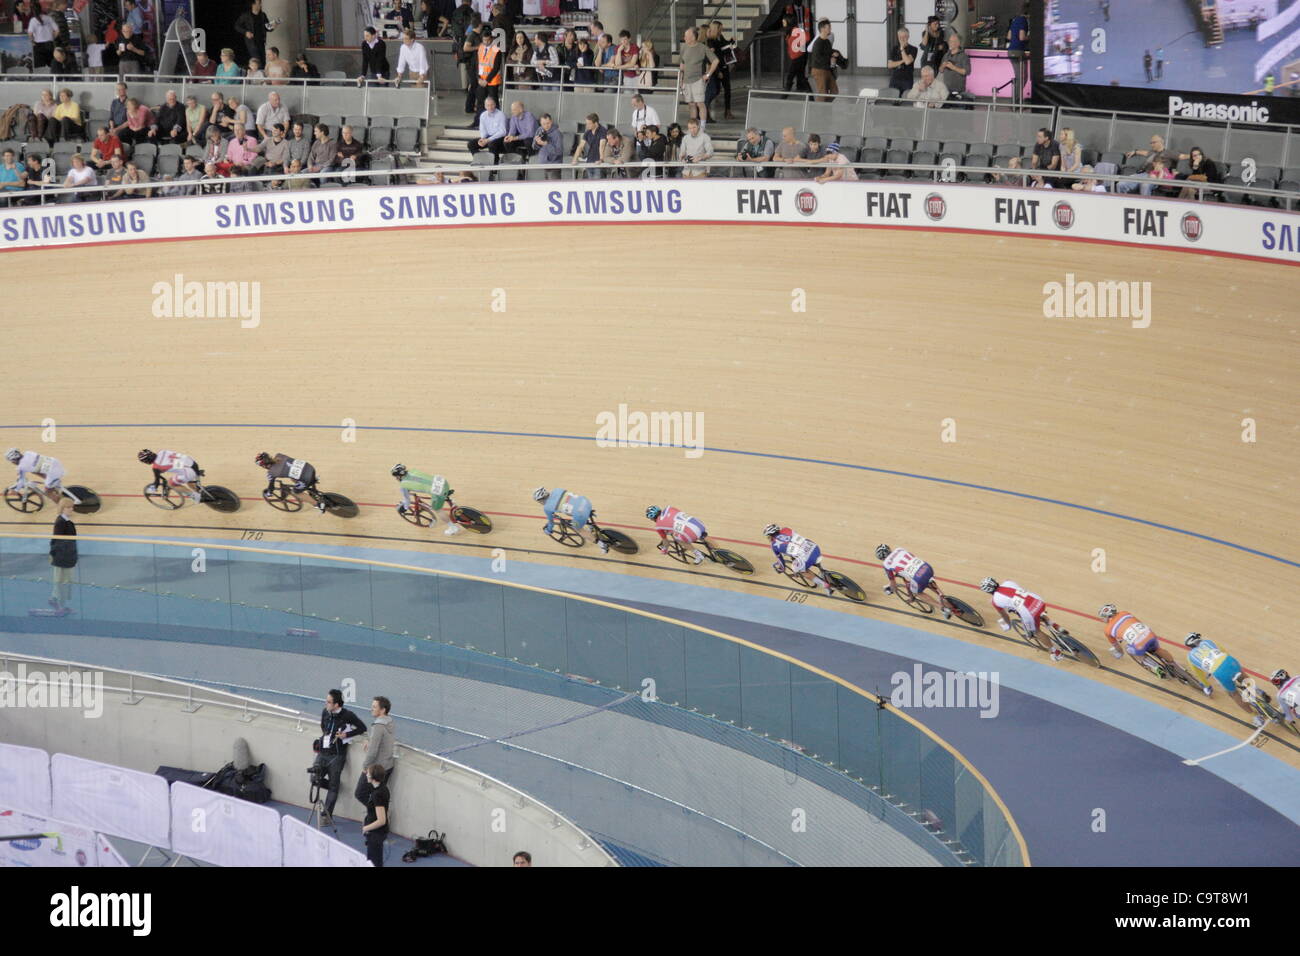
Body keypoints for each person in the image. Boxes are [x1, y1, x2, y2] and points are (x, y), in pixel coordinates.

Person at [311, 689, 367, 826]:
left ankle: (327, 815)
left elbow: (362, 727)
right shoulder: (325, 712)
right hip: (322, 753)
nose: (326, 704)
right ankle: (334, 787)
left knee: (333, 787)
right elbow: (323, 726)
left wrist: (346, 736)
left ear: (337, 704)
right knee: (313, 778)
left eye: (329, 702)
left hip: (337, 756)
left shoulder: (347, 715)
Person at [982, 577, 1062, 661]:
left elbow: (1006, 616)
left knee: (1036, 631)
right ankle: (1054, 625)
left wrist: (1008, 625)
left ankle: (1055, 652)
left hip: (1030, 612)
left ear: (988, 591)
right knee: (1038, 613)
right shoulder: (1008, 582)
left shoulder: (995, 602)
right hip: (1038, 600)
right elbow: (1007, 583)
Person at [1184, 633, 1258, 719]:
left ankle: (1255, 716)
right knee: (1242, 675)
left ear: (1189, 646)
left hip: (1219, 672)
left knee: (1233, 694)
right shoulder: (1208, 641)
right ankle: (1258, 691)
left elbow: (1199, 674)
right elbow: (1225, 652)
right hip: (1230, 660)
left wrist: (1207, 685)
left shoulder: (1190, 657)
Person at [877, 544, 951, 619]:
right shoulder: (899, 549)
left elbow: (893, 584)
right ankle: (947, 601)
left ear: (881, 558)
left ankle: (943, 609)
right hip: (926, 567)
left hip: (918, 577)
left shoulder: (886, 564)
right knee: (929, 582)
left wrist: (890, 590)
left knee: (917, 593)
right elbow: (912, 556)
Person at [1098, 604, 1178, 671]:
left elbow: (1117, 647)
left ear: (1106, 617)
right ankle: (1175, 665)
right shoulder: (1125, 613)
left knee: (1129, 650)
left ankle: (1156, 668)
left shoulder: (1107, 630)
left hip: (1139, 645)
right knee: (1157, 649)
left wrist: (1120, 653)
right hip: (1150, 635)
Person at [392, 464, 463, 535]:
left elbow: (407, 500)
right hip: (443, 482)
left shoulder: (403, 486)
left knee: (437, 509)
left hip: (438, 492)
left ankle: (453, 527)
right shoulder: (413, 471)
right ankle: (453, 503)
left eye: (395, 477)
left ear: (398, 476)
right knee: (436, 490)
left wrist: (404, 508)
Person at [764, 523, 832, 596]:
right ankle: (824, 572)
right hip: (814, 546)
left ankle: (824, 585)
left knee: (798, 569)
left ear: (770, 535)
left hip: (806, 556)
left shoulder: (774, 546)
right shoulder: (786, 529)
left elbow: (781, 562)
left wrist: (781, 569)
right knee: (804, 557)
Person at [353, 696, 396, 808]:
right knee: (378, 796)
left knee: (360, 793)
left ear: (382, 710)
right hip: (388, 766)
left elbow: (372, 752)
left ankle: (377, 816)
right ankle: (380, 818)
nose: (371, 709)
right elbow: (381, 740)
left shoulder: (378, 726)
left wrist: (365, 766)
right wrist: (370, 740)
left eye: (374, 707)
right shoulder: (389, 722)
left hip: (376, 769)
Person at [533, 486, 607, 550]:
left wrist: (548, 530)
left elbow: (551, 522)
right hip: (585, 501)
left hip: (580, 513)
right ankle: (590, 526)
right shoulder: (557, 490)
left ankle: (602, 544)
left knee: (577, 528)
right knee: (570, 509)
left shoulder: (547, 508)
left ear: (541, 500)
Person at [679, 27, 718, 126]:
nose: (684, 38)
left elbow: (715, 61)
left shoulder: (702, 47)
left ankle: (703, 126)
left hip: (698, 80)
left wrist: (708, 74)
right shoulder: (684, 47)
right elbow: (682, 65)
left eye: (686, 36)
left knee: (700, 103)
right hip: (686, 81)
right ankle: (693, 126)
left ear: (692, 37)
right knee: (691, 104)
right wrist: (681, 79)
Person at [255, 451, 323, 508]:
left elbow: (271, 487)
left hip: (306, 478)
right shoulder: (279, 455)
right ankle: (313, 488)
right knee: (292, 476)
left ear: (263, 466)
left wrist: (268, 493)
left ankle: (317, 504)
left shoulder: (271, 473)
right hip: (310, 468)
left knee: (296, 492)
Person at [138, 448, 202, 502]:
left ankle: (195, 497)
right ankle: (201, 492)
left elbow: (156, 482)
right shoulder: (162, 451)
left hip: (188, 472)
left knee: (170, 484)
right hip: (193, 464)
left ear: (146, 461)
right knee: (187, 479)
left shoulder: (156, 467)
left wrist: (152, 489)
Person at [48, 498, 77, 614]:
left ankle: (61, 604)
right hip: (61, 558)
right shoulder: (60, 522)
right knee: (59, 581)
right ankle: (56, 602)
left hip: (68, 557)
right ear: (62, 508)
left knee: (66, 582)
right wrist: (55, 555)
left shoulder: (69, 522)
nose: (71, 509)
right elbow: (57, 541)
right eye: (68, 507)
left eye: (72, 507)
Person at [359, 764, 390, 866]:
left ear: (373, 777)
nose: (366, 775)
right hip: (378, 832)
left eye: (368, 773)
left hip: (376, 833)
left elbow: (381, 820)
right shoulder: (383, 788)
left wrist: (366, 828)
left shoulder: (377, 794)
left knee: (374, 862)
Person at [234, 0, 275, 67]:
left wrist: (273, 26)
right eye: (259, 3)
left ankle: (261, 75)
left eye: (260, 4)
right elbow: (237, 26)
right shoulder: (246, 15)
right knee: (257, 61)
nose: (260, 5)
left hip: (261, 42)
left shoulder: (263, 15)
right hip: (252, 42)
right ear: (253, 5)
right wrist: (246, 32)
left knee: (263, 61)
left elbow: (267, 28)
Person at [807, 19, 838, 101]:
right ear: (822, 29)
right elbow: (818, 58)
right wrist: (830, 59)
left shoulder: (827, 42)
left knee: (834, 91)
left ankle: (824, 107)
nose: (830, 29)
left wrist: (833, 54)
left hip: (826, 69)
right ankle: (819, 110)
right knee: (822, 93)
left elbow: (828, 53)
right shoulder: (818, 43)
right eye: (828, 27)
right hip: (819, 70)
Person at [1007, 2, 1029, 103]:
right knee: (1022, 77)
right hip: (1018, 51)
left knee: (1020, 77)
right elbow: (1022, 37)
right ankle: (1015, 102)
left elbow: (1009, 36)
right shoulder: (1024, 21)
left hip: (1011, 50)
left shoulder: (1015, 20)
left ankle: (1016, 100)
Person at [782, 14, 811, 93]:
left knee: (790, 76)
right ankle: (811, 96)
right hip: (796, 57)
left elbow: (807, 39)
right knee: (801, 77)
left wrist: (800, 50)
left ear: (788, 21)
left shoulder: (797, 30)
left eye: (784, 20)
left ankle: (784, 96)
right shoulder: (789, 30)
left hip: (798, 58)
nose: (782, 21)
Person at [887, 28, 917, 98]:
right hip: (895, 79)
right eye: (900, 37)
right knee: (892, 99)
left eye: (904, 37)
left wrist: (902, 49)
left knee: (906, 100)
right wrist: (902, 61)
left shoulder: (913, 49)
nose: (902, 39)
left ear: (908, 37)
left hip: (907, 80)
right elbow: (890, 65)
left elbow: (907, 62)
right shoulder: (894, 49)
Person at [531, 112, 563, 177]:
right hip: (543, 163)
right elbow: (534, 147)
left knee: (554, 186)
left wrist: (545, 144)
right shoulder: (539, 130)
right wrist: (537, 142)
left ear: (551, 121)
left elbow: (559, 151)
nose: (546, 126)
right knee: (544, 186)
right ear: (540, 123)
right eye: (543, 124)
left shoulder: (557, 133)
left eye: (548, 123)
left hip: (554, 165)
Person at [939, 33, 969, 100]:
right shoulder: (946, 55)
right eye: (949, 41)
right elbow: (940, 70)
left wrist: (953, 67)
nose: (950, 43)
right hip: (945, 89)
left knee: (956, 108)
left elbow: (966, 71)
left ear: (958, 43)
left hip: (958, 90)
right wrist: (943, 66)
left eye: (952, 41)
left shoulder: (964, 56)